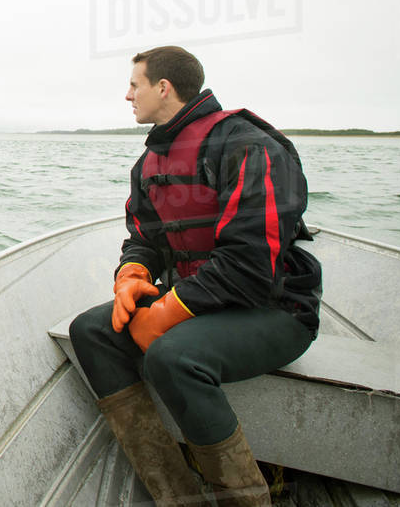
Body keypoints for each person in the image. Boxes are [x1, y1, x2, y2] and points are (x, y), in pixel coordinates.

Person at [67, 46, 321, 507]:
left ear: (163, 88)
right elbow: (142, 236)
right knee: (90, 330)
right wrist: (132, 275)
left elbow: (250, 263)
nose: (127, 96)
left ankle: (245, 500)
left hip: (277, 308)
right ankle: (175, 493)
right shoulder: (149, 163)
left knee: (173, 356)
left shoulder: (247, 145)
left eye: (134, 85)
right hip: (203, 301)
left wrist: (165, 312)